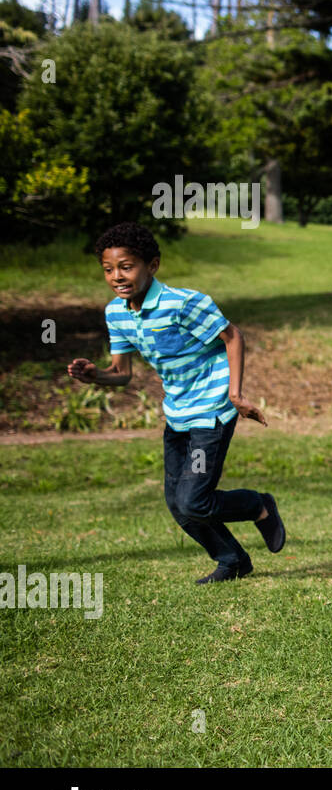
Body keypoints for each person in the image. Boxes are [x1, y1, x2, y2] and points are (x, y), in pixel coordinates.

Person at [67, 222, 286, 585]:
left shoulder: (183, 303)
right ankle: (232, 560)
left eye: (126, 266)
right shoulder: (117, 313)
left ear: (151, 265)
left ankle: (259, 506)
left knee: (193, 501)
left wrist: (236, 395)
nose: (117, 276)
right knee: (178, 505)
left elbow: (233, 337)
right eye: (108, 269)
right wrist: (95, 375)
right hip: (177, 415)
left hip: (210, 412)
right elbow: (121, 373)